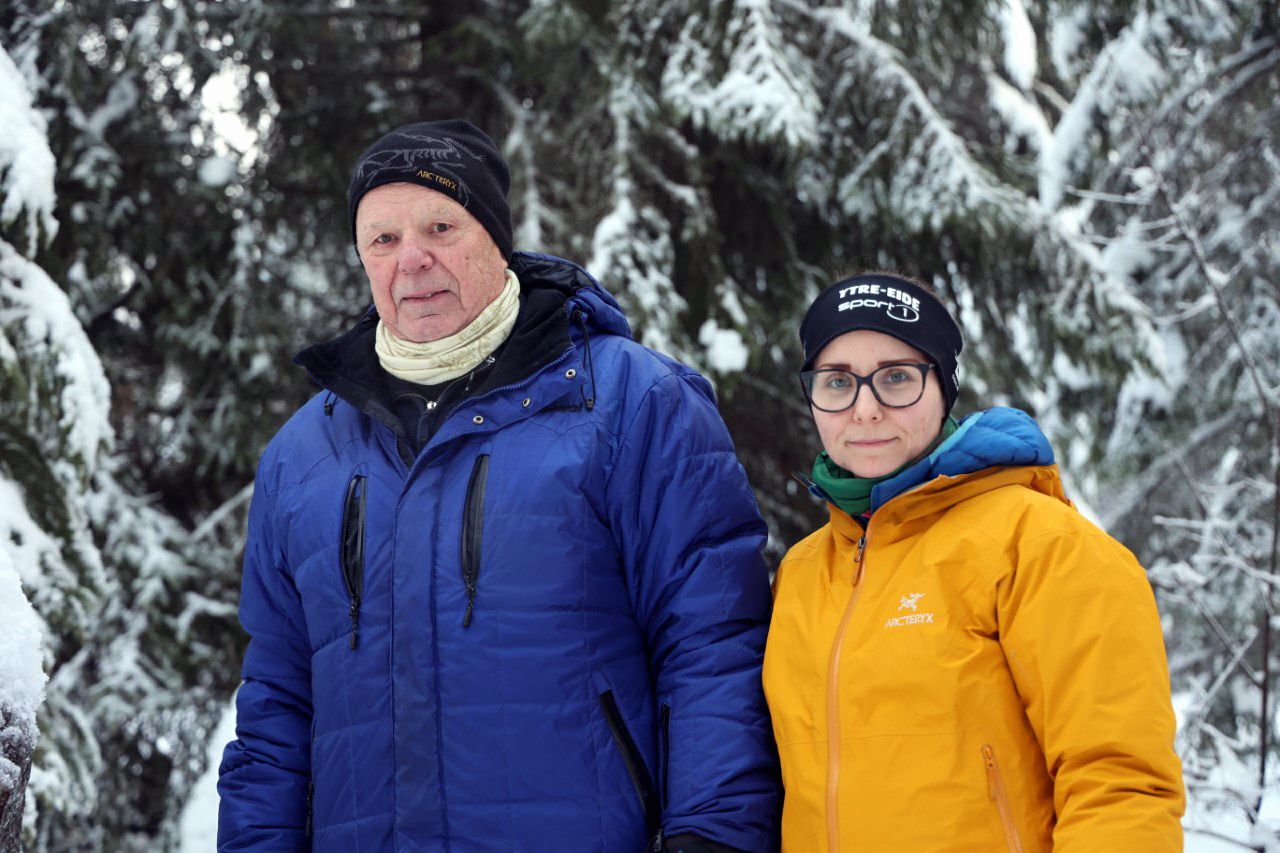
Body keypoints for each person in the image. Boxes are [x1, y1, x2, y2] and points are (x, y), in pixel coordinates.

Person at [217, 119, 779, 852]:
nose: (411, 260)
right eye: (382, 239)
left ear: (495, 239)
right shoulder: (303, 456)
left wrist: (714, 836)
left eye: (440, 227)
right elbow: (276, 702)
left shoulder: (633, 402)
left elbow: (712, 642)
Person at [763, 271, 1184, 851]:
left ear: (945, 387)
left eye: (896, 377)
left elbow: (1121, 788)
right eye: (837, 382)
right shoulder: (801, 574)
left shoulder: (1043, 546)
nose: (865, 409)